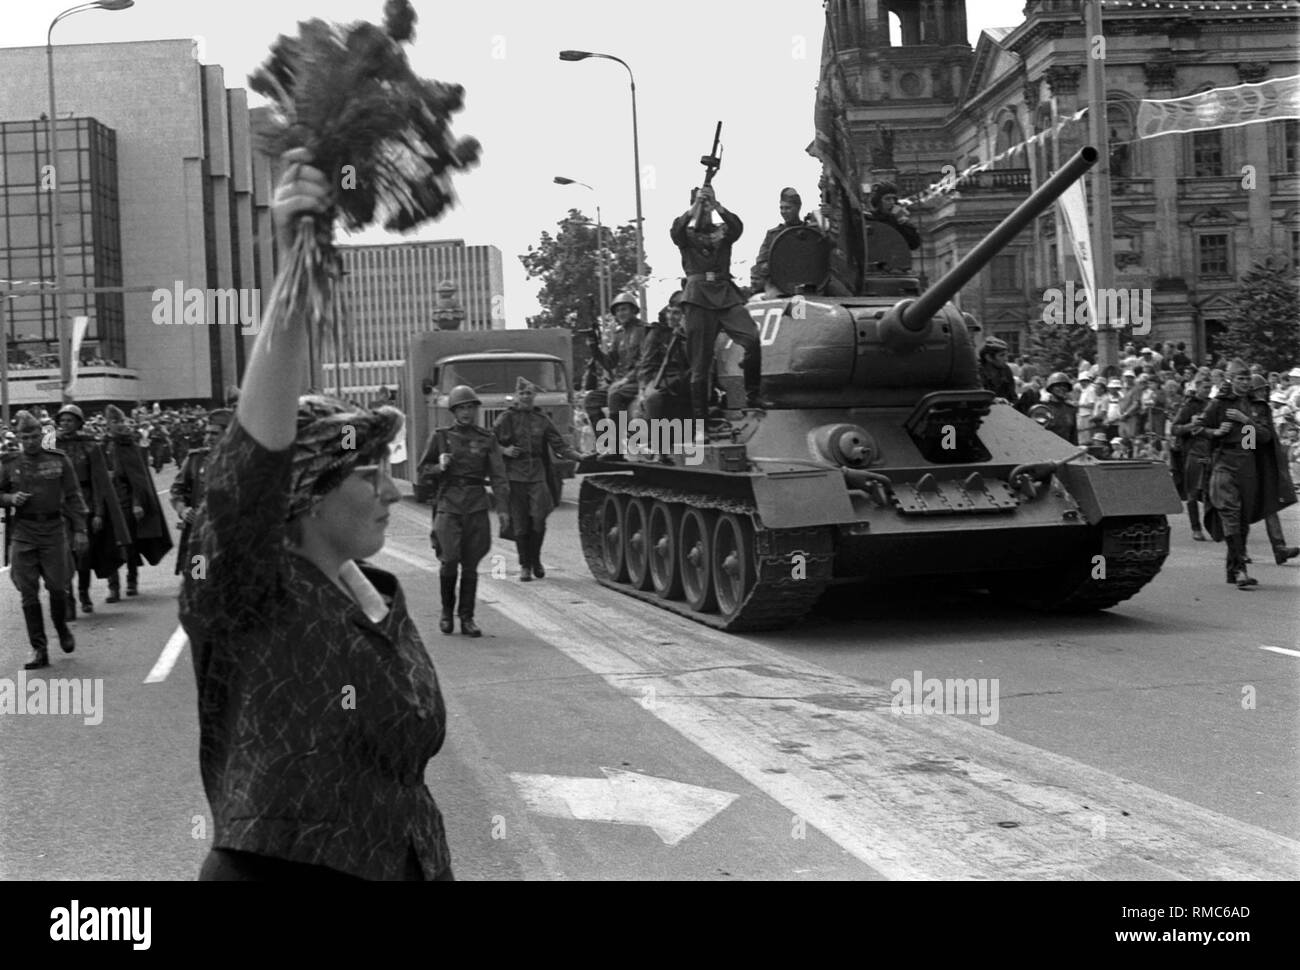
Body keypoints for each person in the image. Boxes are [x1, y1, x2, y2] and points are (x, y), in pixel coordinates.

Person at [182, 148, 454, 881]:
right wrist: (297, 268)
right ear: (303, 493)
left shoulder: (374, 596)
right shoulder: (246, 588)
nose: (394, 494)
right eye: (373, 476)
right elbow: (253, 463)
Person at [0, 410, 89, 669]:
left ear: (43, 435)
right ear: (17, 437)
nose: (30, 441)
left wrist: (81, 529)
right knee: (28, 592)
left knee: (57, 587)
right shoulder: (8, 463)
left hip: (53, 530)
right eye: (25, 436)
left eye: (34, 435)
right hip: (24, 531)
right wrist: (9, 499)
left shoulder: (59, 460)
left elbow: (74, 496)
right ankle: (39, 650)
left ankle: (61, 628)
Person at [418, 384, 510, 633]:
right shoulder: (441, 437)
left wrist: (503, 510)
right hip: (449, 503)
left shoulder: (486, 439)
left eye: (470, 407)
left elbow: (499, 476)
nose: (467, 412)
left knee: (470, 564)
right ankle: (446, 613)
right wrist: (439, 467)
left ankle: (467, 617)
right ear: (454, 412)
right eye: (461, 408)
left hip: (476, 504)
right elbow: (422, 472)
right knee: (449, 560)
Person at [671, 184, 763, 431]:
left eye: (707, 206)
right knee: (700, 364)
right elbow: (675, 231)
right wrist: (694, 207)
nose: (705, 211)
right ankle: (701, 420)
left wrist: (718, 205)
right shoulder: (686, 235)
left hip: (725, 294)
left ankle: (753, 396)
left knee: (752, 339)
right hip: (698, 296)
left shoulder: (722, 230)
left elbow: (737, 228)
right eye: (701, 205)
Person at [494, 377, 584, 581]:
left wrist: (580, 457)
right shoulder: (506, 418)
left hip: (537, 473)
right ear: (516, 396)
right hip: (514, 475)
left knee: (539, 519)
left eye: (529, 394)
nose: (526, 397)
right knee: (519, 523)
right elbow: (490, 442)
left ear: (534, 396)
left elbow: (559, 445)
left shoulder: (542, 420)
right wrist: (504, 450)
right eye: (522, 394)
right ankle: (525, 565)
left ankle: (536, 559)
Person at [1201, 364, 1272, 587]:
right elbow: (1199, 427)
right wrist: (1215, 432)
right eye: (1240, 378)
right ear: (1230, 379)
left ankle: (1232, 570)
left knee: (1243, 520)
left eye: (1247, 378)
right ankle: (1241, 569)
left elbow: (1265, 436)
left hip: (1248, 463)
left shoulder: (1255, 405)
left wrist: (1246, 420)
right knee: (1231, 514)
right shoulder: (1219, 404)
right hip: (1224, 461)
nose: (1244, 382)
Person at [54, 403, 123, 617]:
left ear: (78, 423)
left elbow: (99, 481)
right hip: (60, 505)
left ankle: (84, 594)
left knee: (83, 554)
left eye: (70, 420)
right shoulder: (51, 445)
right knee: (64, 556)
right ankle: (69, 598)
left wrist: (99, 513)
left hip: (86, 503)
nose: (65, 424)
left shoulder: (90, 445)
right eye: (62, 420)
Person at [101, 404, 173, 600]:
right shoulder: (102, 446)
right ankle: (113, 587)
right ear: (108, 425)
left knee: (129, 543)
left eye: (121, 421)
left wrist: (137, 502)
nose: (119, 425)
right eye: (114, 422)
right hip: (107, 502)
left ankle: (132, 579)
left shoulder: (130, 446)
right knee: (110, 545)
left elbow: (138, 480)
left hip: (126, 502)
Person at [171, 408, 233, 576]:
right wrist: (183, 510)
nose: (208, 438)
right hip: (200, 537)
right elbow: (177, 490)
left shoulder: (242, 462)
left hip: (229, 537)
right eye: (207, 433)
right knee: (198, 580)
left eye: (214, 433)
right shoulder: (196, 460)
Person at [1246, 375, 1300, 565]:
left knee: (1270, 507)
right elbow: (1250, 442)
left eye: (1264, 390)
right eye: (1259, 390)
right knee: (1243, 510)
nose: (1262, 393)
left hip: (1265, 464)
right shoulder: (1249, 409)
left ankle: (1279, 548)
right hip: (1251, 465)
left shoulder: (1262, 408)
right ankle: (1239, 551)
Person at [638, 293, 693, 424]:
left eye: (676, 313)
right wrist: (642, 389)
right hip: (661, 377)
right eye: (670, 312)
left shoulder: (694, 333)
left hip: (686, 378)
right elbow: (647, 364)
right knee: (652, 398)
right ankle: (654, 440)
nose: (671, 317)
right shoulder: (658, 332)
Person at [751, 187, 807, 298]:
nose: (784, 212)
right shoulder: (773, 235)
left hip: (807, 285)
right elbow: (760, 264)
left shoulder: (809, 232)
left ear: (798, 207)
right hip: (778, 287)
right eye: (781, 208)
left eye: (788, 208)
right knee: (776, 302)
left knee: (803, 310)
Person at [602, 293, 645, 423]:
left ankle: (615, 437)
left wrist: (626, 379)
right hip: (621, 382)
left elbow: (644, 361)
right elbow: (610, 363)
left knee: (615, 394)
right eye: (618, 311)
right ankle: (601, 437)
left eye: (624, 309)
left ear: (633, 310)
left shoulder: (642, 330)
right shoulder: (619, 334)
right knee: (591, 399)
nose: (621, 313)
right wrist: (594, 347)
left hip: (638, 379)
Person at [864, 182, 920, 250]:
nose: (892, 202)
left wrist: (904, 226)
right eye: (887, 199)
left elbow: (914, 245)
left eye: (894, 199)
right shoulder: (870, 218)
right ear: (878, 202)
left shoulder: (898, 220)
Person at [1039, 372, 1078, 443]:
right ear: (1051, 388)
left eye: (1065, 386)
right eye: (1058, 386)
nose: (1062, 388)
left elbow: (1073, 436)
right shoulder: (1043, 408)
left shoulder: (1070, 409)